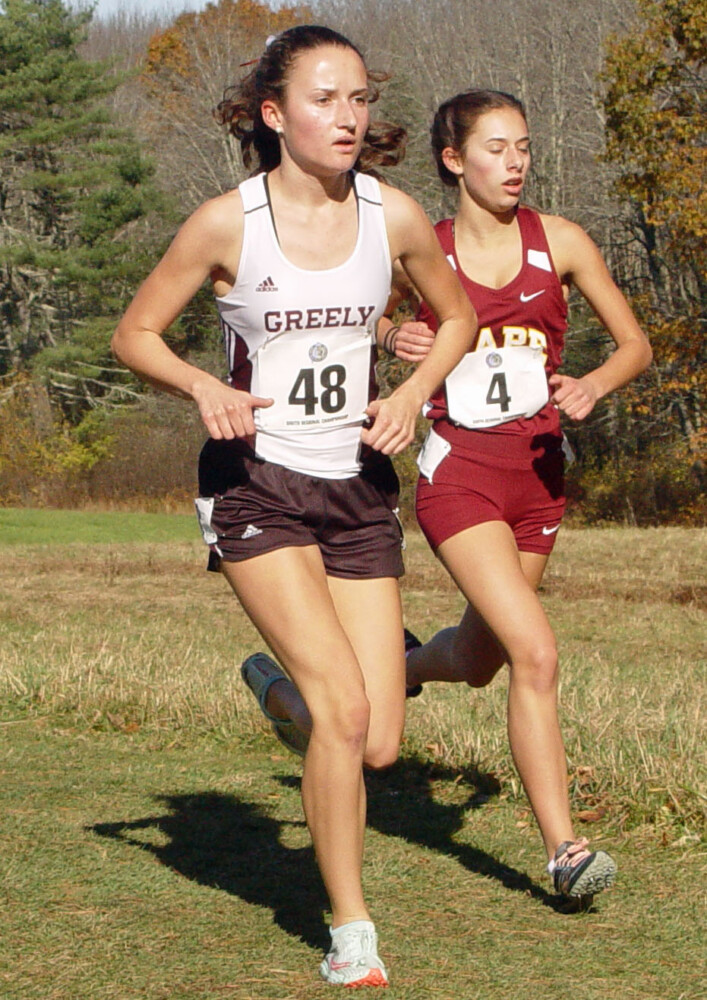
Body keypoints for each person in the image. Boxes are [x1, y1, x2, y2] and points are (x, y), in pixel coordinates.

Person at [111, 26, 474, 988]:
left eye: (359, 97)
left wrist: (407, 395)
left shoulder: (393, 216)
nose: (348, 116)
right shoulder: (227, 224)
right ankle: (349, 929)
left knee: (380, 741)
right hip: (254, 482)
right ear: (274, 115)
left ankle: (277, 691)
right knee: (346, 712)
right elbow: (135, 332)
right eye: (325, 98)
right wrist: (200, 385)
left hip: (355, 484)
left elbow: (460, 318)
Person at [378, 89, 652, 901]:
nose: (516, 163)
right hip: (457, 476)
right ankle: (564, 850)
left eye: (523, 147)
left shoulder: (559, 242)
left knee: (479, 658)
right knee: (536, 651)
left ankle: (397, 668)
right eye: (496, 149)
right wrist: (394, 334)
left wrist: (595, 383)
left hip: (537, 480)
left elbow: (634, 342)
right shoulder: (419, 249)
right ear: (453, 160)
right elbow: (353, 320)